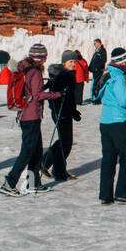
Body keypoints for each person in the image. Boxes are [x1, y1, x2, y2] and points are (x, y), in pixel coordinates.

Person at [1, 44, 60, 196]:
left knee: (36, 150)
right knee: (27, 151)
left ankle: (33, 183)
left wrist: (47, 85)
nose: (46, 58)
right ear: (39, 58)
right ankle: (9, 182)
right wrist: (57, 94)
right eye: (44, 56)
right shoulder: (35, 71)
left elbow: (31, 90)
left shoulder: (24, 68)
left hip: (24, 114)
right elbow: (38, 95)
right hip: (31, 115)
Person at [92, 47, 126, 205]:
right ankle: (122, 193)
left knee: (108, 159)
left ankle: (105, 195)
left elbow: (100, 96)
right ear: (122, 62)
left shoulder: (107, 75)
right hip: (118, 124)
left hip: (105, 122)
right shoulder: (119, 77)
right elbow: (123, 101)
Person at [41, 52, 81, 181]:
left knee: (64, 142)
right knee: (65, 143)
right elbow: (54, 94)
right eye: (70, 62)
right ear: (64, 62)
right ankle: (53, 167)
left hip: (66, 111)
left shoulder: (67, 74)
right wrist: (60, 108)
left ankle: (52, 167)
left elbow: (70, 97)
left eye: (74, 62)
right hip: (61, 112)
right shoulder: (62, 75)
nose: (73, 64)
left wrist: (73, 111)